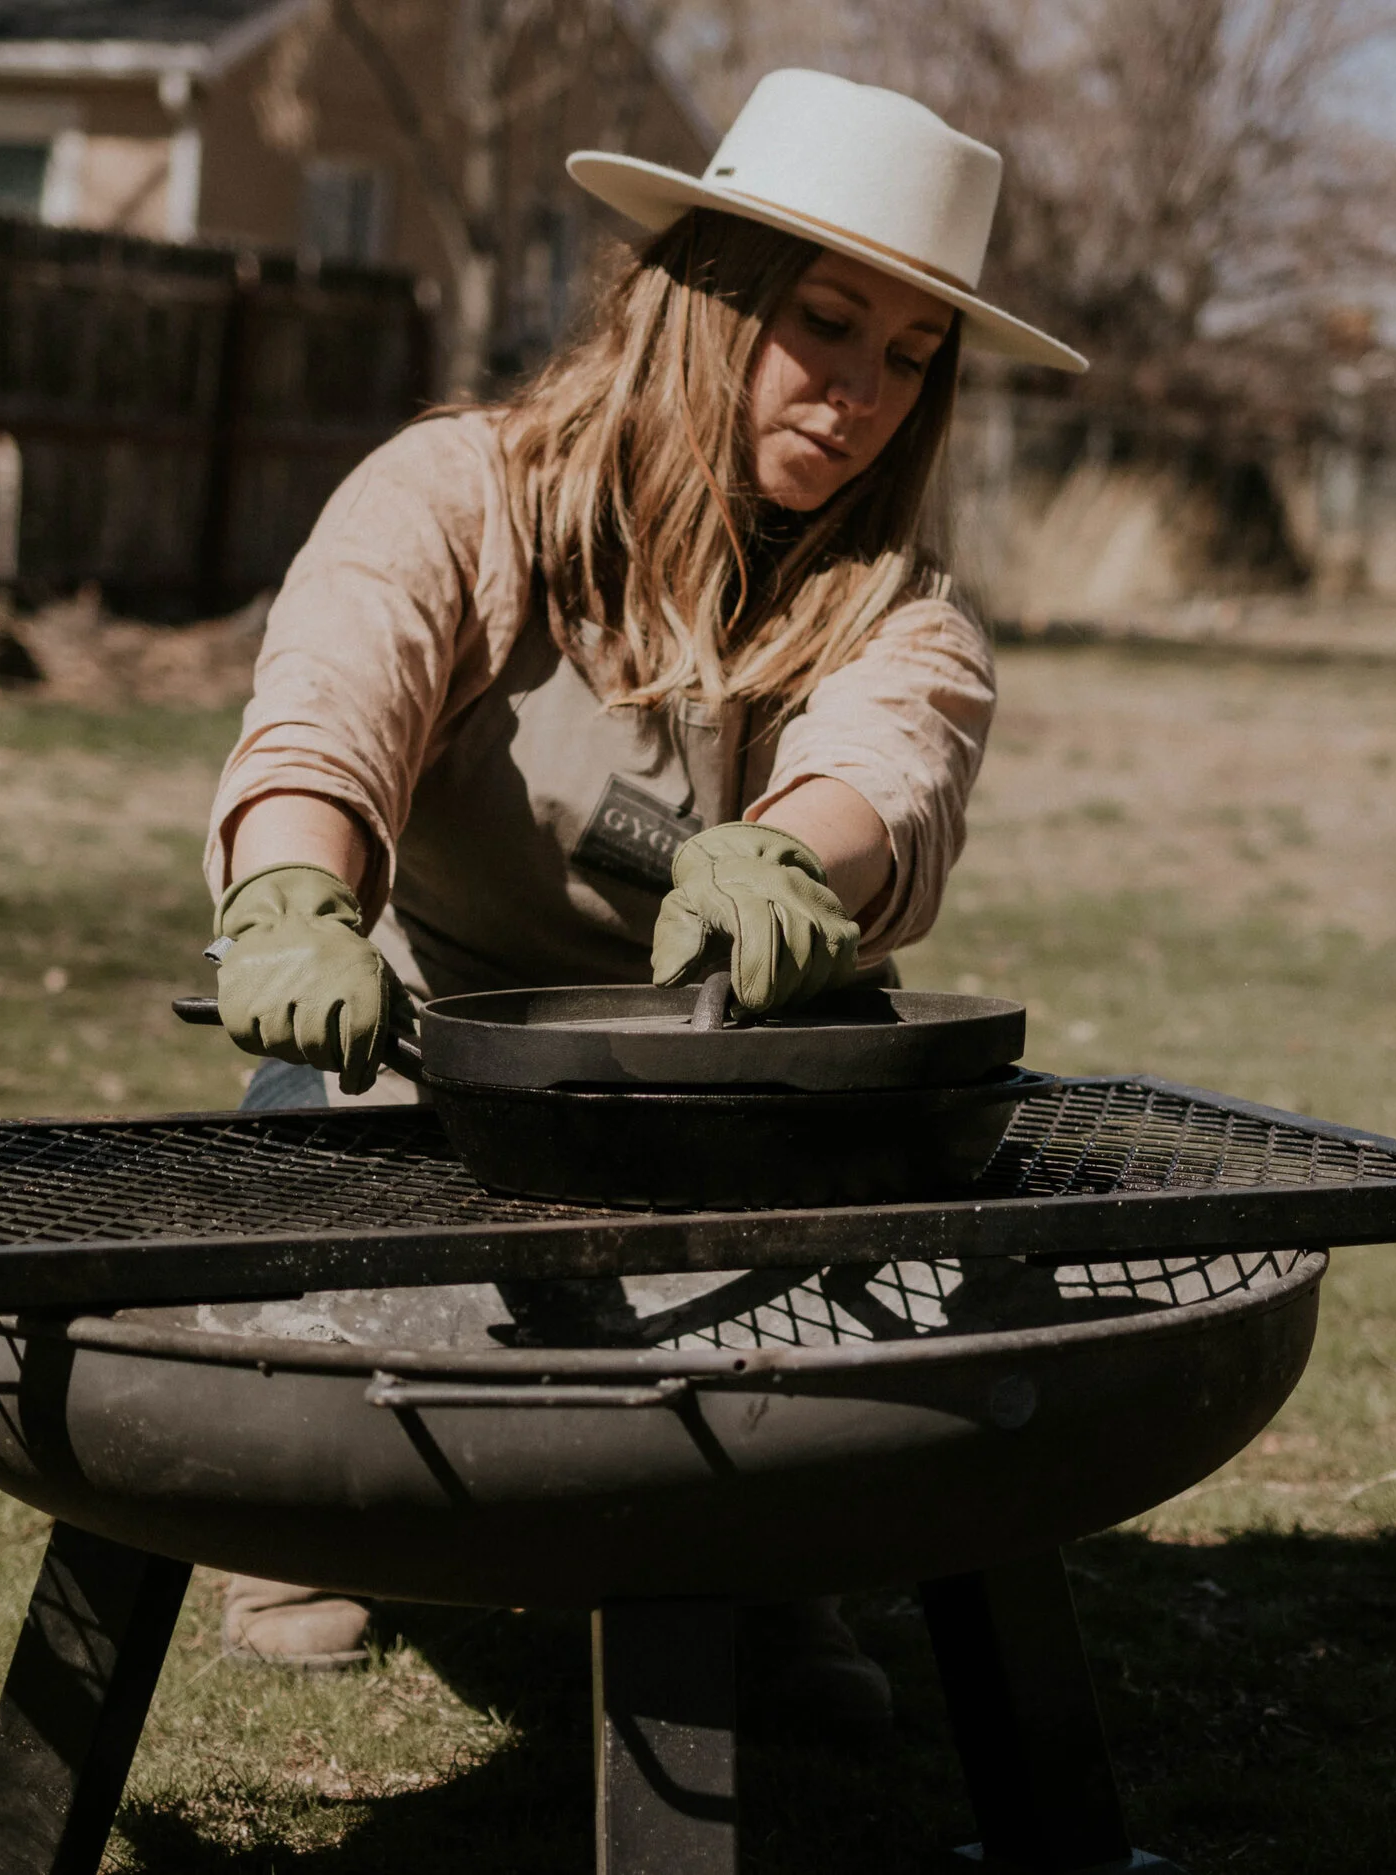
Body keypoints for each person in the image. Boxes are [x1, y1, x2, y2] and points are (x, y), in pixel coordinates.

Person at [199, 68, 1086, 1724]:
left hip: (714, 1059)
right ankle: (298, 1504)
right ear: (705, 300)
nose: (862, 391)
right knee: (324, 1141)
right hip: (422, 1034)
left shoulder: (903, 609)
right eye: (827, 321)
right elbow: (330, 711)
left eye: (910, 355)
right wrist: (291, 903)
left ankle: (773, 1560)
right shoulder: (459, 492)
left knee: (849, 1170)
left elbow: (893, 765)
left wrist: (791, 853)